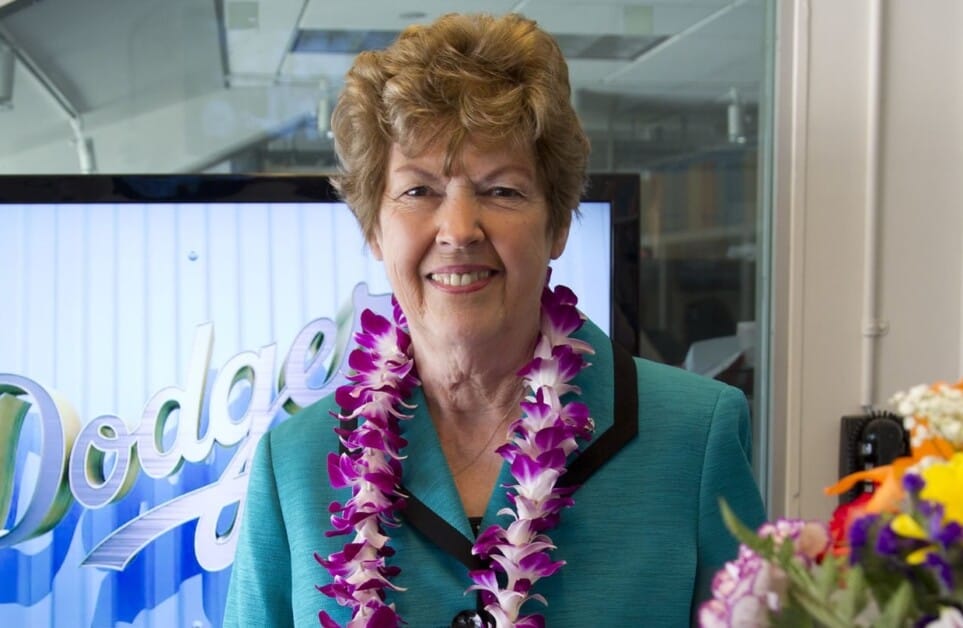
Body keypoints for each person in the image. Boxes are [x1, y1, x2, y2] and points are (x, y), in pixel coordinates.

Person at [224, 12, 765, 628]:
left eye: (502, 190)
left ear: (558, 224)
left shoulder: (697, 437)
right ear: (374, 226)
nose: (458, 230)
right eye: (418, 191)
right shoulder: (293, 464)